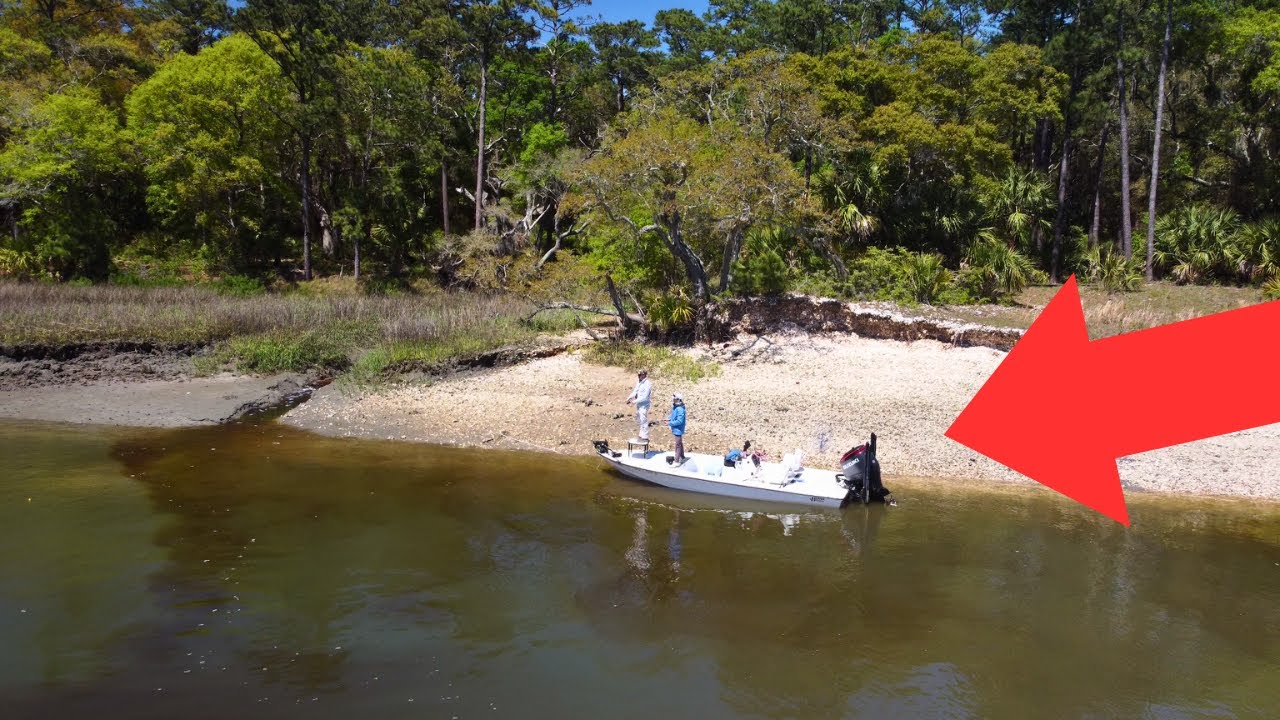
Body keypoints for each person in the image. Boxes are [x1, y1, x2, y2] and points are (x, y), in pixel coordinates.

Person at [624, 369, 653, 442]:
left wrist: (634, 401)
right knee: (639, 418)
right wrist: (629, 398)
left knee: (643, 419)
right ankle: (641, 434)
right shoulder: (639, 382)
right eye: (638, 375)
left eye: (640, 375)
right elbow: (635, 391)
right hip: (639, 404)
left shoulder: (647, 384)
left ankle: (645, 436)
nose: (639, 376)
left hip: (644, 405)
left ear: (644, 375)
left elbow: (645, 397)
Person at [666, 393, 687, 465]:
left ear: (678, 400)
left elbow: (679, 421)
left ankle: (677, 460)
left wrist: (669, 423)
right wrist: (668, 419)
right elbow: (672, 415)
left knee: (678, 444)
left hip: (679, 429)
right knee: (680, 443)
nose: (673, 400)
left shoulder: (680, 409)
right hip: (675, 428)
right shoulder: (675, 407)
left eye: (674, 399)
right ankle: (682, 456)